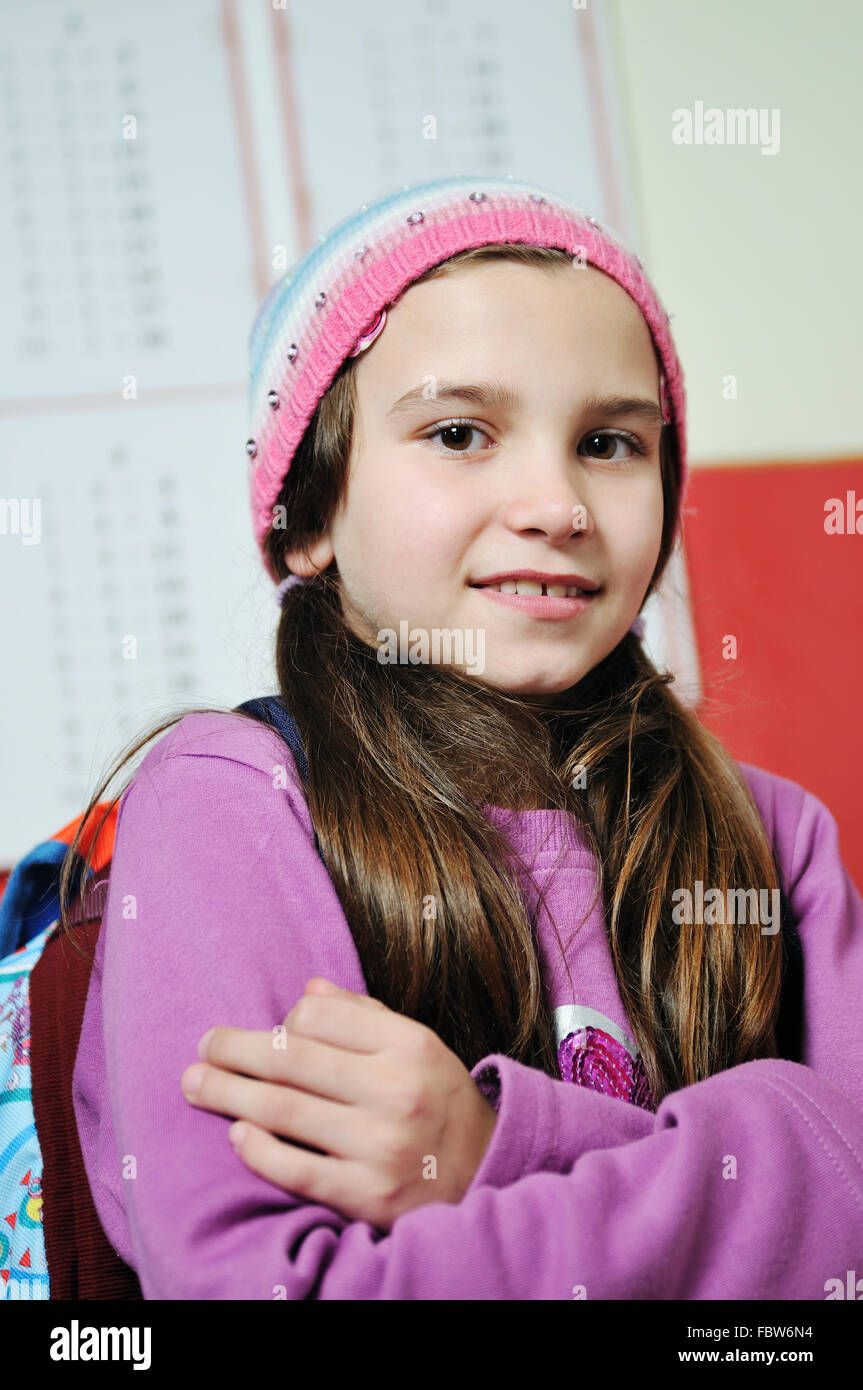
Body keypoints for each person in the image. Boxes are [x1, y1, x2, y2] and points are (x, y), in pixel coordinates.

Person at [67, 175, 863, 1300]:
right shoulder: (232, 804)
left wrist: (493, 1149)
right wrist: (785, 1139)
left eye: (607, 442)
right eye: (458, 432)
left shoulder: (774, 835)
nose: (554, 501)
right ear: (308, 520)